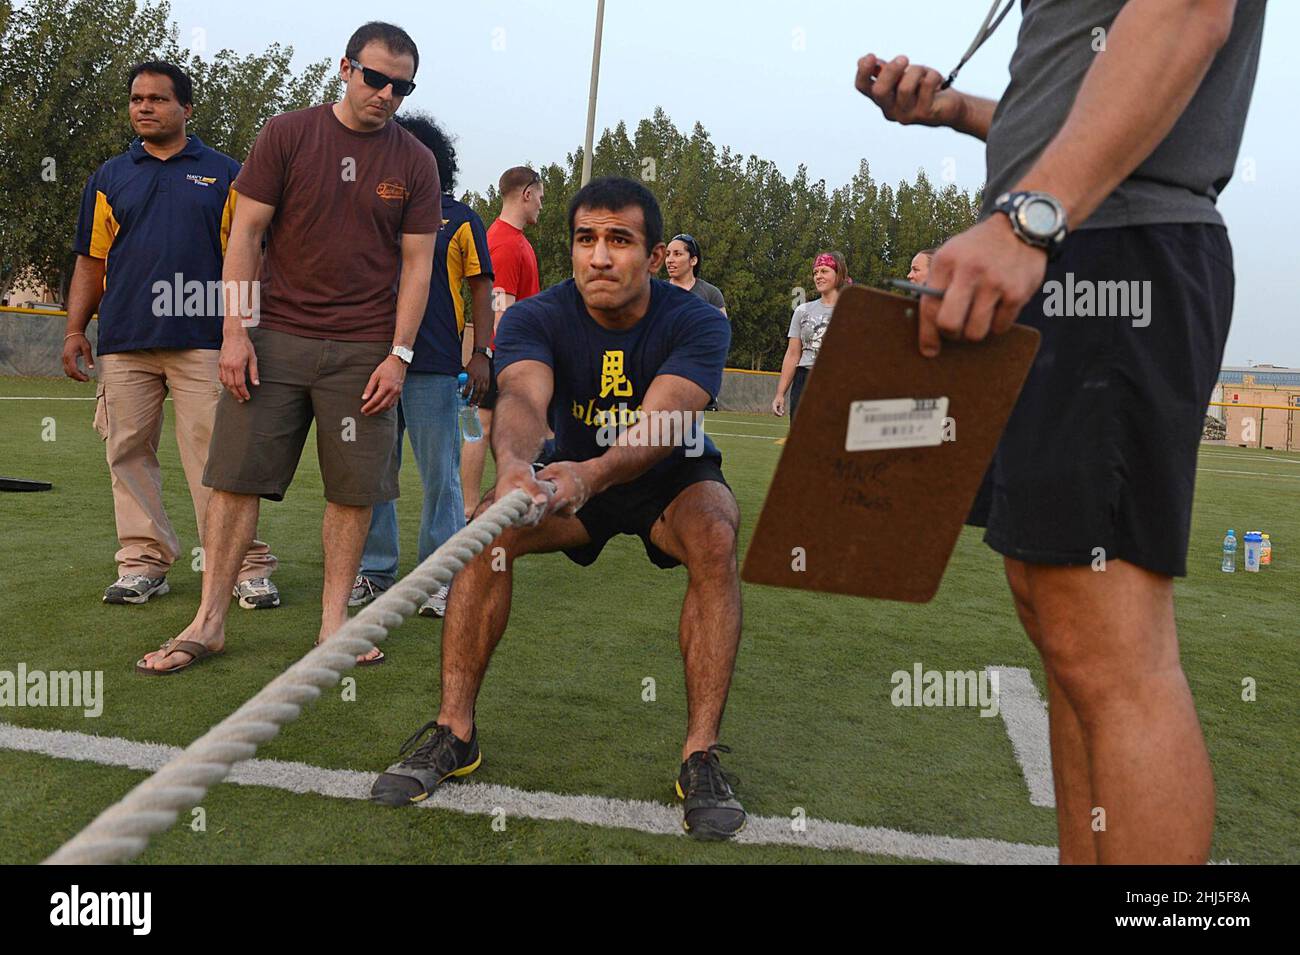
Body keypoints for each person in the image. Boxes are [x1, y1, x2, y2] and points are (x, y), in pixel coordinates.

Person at [856, 0, 1265, 863]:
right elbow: (1090, 98)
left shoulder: (1065, 218)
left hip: (1113, 246)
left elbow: (1188, 12)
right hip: (1074, 244)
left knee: (1115, 656)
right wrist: (959, 113)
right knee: (1065, 632)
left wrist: (1029, 216)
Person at [368, 177, 747, 842]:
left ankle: (701, 753)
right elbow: (519, 401)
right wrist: (515, 467)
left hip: (667, 477)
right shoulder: (536, 316)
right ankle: (455, 730)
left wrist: (593, 473)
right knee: (491, 526)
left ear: (654, 258)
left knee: (715, 530)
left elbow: (664, 422)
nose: (599, 256)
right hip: (566, 478)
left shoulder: (699, 320)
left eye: (619, 240)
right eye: (585, 239)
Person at [134, 21, 441, 673]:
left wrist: (401, 354)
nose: (387, 93)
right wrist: (235, 333)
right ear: (345, 67)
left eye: (402, 86)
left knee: (354, 491)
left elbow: (418, 268)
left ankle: (334, 625)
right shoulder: (286, 134)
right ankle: (210, 620)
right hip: (271, 338)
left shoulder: (414, 161)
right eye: (376, 77)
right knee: (235, 480)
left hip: (365, 350)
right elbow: (245, 236)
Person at [64, 61, 279, 610]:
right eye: (137, 99)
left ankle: (245, 566)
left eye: (158, 99)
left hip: (205, 340)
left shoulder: (228, 173)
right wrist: (74, 330)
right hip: (125, 341)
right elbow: (91, 261)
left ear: (186, 108)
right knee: (128, 454)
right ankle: (143, 563)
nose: (144, 108)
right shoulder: (110, 177)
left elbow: (249, 255)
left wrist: (245, 329)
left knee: (219, 461)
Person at [348, 114, 494, 617]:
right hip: (375, 361)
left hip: (433, 366)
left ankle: (439, 577)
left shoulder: (460, 218)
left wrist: (482, 354)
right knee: (375, 473)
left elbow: (481, 290)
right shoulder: (373, 212)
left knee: (441, 478)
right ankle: (375, 571)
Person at [461, 166, 543, 519]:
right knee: (482, 424)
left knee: (493, 425)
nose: (542, 204)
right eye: (540, 196)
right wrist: (504, 359)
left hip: (504, 353)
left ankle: (497, 499)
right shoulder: (505, 242)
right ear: (526, 194)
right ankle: (466, 509)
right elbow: (500, 309)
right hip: (499, 353)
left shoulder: (516, 240)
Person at [771, 251, 847, 419]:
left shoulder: (852, 310)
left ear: (838, 273)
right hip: (804, 380)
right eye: (815, 272)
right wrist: (780, 393)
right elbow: (792, 354)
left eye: (824, 271)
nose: (818, 276)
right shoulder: (802, 311)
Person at [665, 233, 728, 316]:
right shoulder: (656, 293)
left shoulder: (711, 294)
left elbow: (721, 327)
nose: (669, 260)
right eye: (667, 254)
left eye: (677, 254)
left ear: (693, 260)